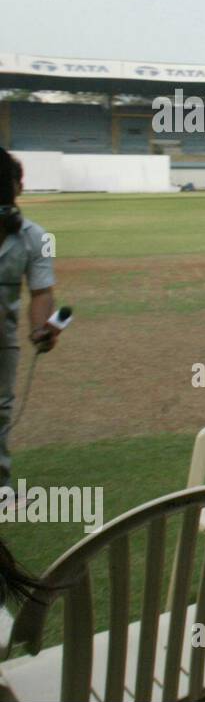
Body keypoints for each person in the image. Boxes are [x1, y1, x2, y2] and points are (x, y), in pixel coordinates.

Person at [0, 150, 59, 510]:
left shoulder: (34, 236)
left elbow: (41, 291)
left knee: (1, 409)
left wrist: (42, 329)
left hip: (2, 340)